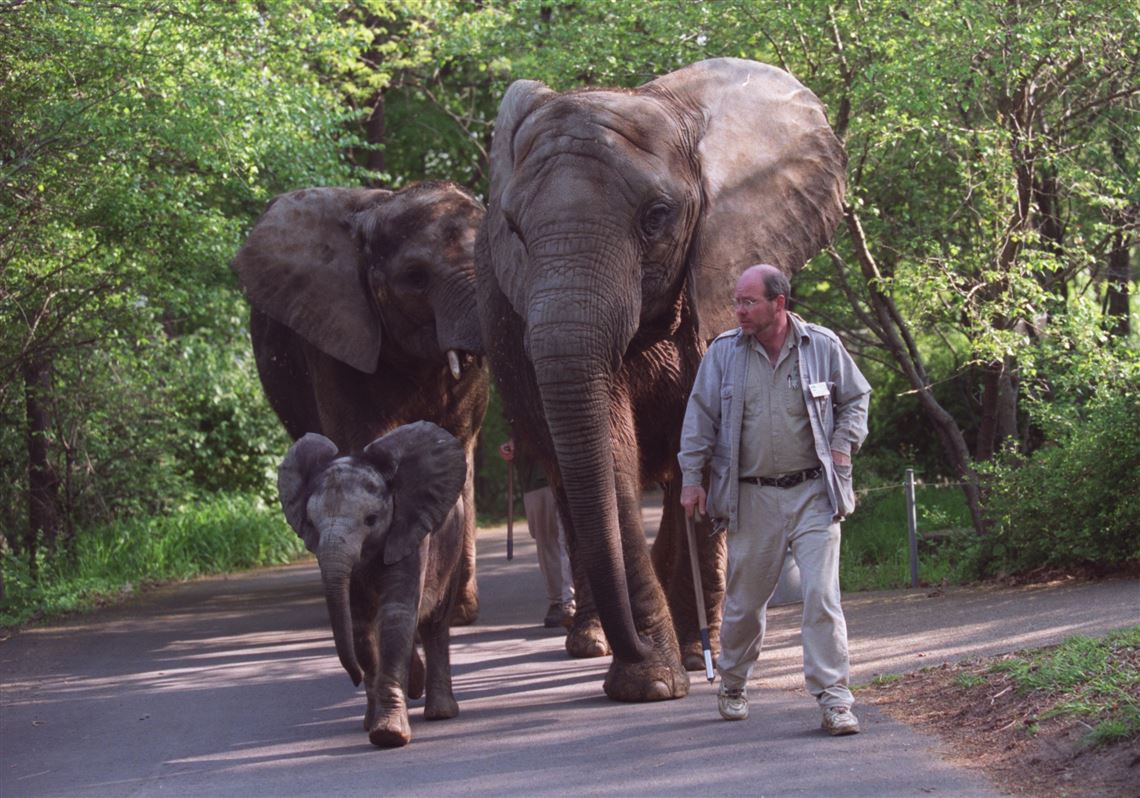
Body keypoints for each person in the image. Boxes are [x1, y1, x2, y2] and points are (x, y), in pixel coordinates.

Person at [678, 263, 870, 736]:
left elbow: (857, 398)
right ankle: (734, 681)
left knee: (822, 596)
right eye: (737, 301)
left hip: (813, 493)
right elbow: (699, 418)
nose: (738, 310)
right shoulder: (723, 353)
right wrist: (691, 477)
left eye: (748, 302)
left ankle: (834, 699)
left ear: (778, 304)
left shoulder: (822, 345)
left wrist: (844, 446)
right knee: (744, 604)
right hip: (751, 497)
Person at [498, 437, 576, 629]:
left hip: (558, 475)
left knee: (565, 541)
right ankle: (559, 601)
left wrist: (522, 444)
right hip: (534, 483)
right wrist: (511, 445)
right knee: (547, 542)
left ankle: (568, 601)